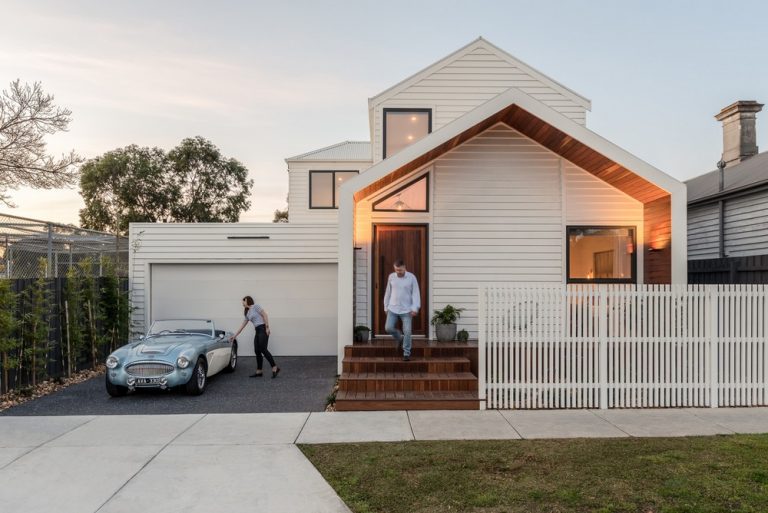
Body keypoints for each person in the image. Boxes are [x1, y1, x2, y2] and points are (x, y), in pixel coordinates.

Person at [230, 296, 280, 378]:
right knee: (257, 350)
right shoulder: (247, 313)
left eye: (243, 301)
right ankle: (259, 371)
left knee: (263, 349)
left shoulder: (256, 306)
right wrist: (235, 336)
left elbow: (265, 315)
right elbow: (242, 325)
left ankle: (275, 367)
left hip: (263, 328)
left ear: (247, 300)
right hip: (257, 331)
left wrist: (267, 327)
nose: (242, 303)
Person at [383, 259, 421, 361]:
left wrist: (415, 307)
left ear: (404, 267)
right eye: (396, 270)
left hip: (407, 309)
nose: (398, 272)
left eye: (400, 270)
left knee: (407, 331)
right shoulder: (391, 277)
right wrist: (385, 306)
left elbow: (416, 293)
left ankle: (406, 353)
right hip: (392, 308)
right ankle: (399, 338)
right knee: (388, 328)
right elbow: (388, 292)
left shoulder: (411, 277)